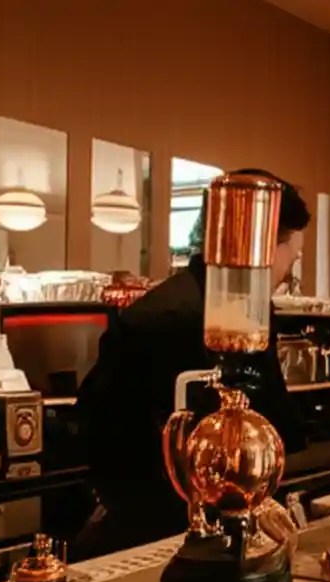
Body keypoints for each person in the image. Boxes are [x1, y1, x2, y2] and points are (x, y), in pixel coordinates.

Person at [75, 168, 310, 557]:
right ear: (263, 246)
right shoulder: (178, 316)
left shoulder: (215, 305)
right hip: (163, 531)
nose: (288, 275)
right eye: (292, 258)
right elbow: (149, 436)